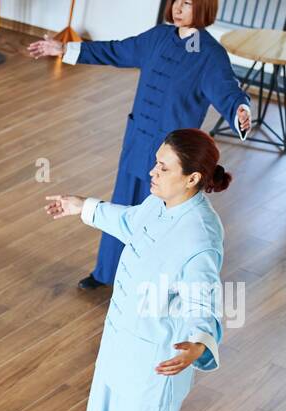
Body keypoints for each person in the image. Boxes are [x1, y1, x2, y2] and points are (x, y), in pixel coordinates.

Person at [44, 128, 230, 411]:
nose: (153, 171)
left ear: (192, 178)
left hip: (158, 354)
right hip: (122, 334)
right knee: (105, 410)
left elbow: (202, 299)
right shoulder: (159, 204)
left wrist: (197, 345)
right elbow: (129, 223)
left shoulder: (200, 235)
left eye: (164, 167)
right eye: (156, 161)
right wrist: (81, 207)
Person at [28, 0, 250, 290]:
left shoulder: (210, 55)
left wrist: (240, 111)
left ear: (205, 9)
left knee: (157, 216)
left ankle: (144, 282)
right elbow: (116, 50)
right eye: (177, 1)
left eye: (188, 3)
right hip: (138, 138)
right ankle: (106, 273)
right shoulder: (158, 37)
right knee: (121, 202)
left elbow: (228, 91)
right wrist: (65, 49)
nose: (179, 8)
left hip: (173, 156)